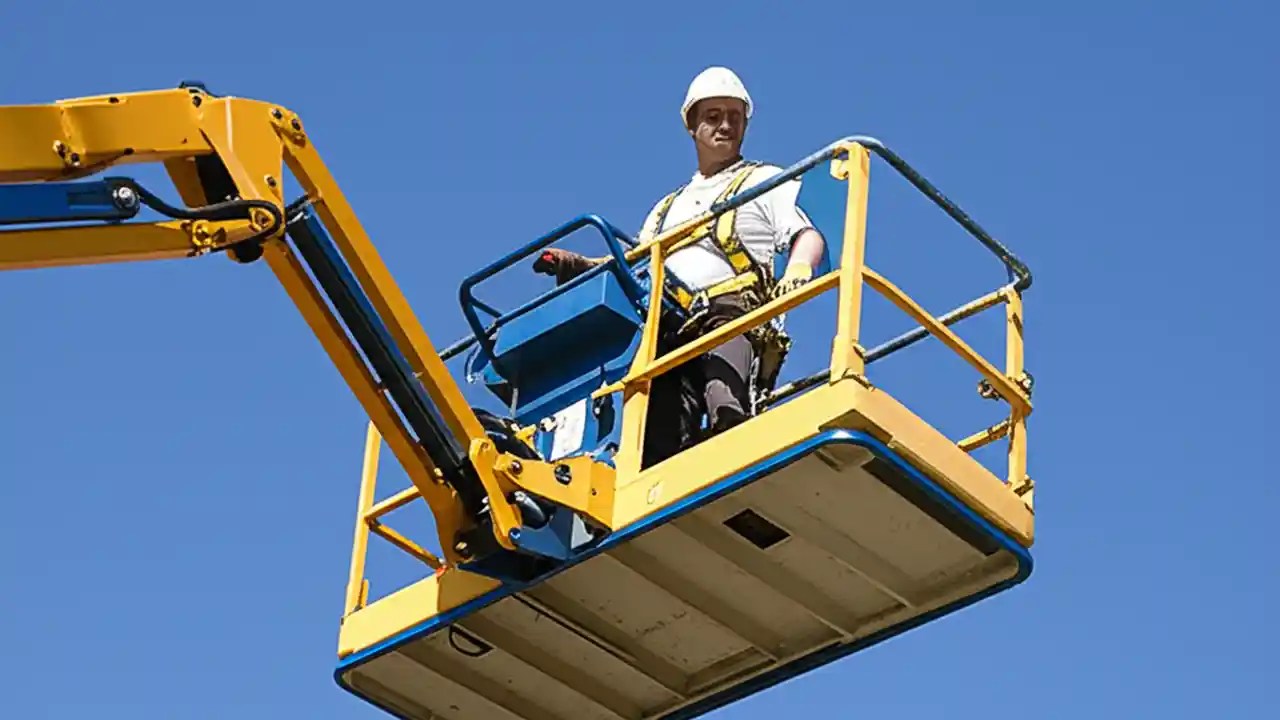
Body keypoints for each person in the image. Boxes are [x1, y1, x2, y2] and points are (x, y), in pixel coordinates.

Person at [534, 66, 826, 467]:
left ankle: (733, 462)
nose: (725, 125)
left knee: (725, 406)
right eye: (713, 116)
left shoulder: (765, 180)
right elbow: (635, 265)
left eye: (734, 117)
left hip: (730, 314)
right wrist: (580, 264)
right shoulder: (666, 209)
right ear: (692, 125)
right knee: (655, 437)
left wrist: (798, 270)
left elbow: (807, 234)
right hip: (669, 326)